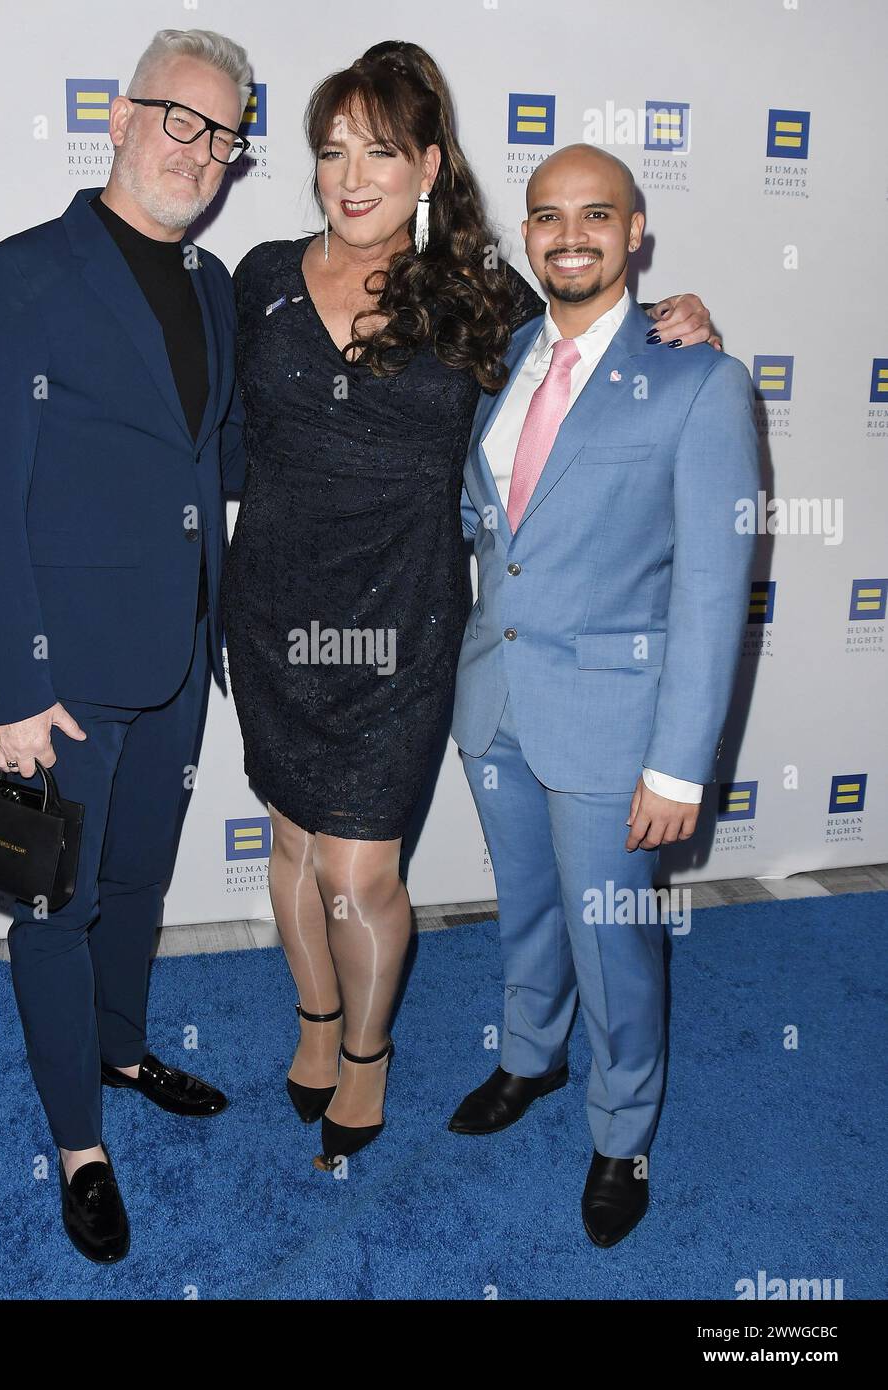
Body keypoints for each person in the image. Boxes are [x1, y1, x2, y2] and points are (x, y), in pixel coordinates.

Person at [220, 41, 714, 1173]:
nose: (350, 174)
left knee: (360, 870)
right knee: (292, 840)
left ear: (428, 165)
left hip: (404, 624)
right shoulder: (254, 278)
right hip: (273, 612)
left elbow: (587, 354)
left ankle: (367, 1052)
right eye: (330, 149)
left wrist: (679, 325)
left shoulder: (478, 300)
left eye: (379, 150)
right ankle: (310, 1022)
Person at [0, 28, 250, 1263]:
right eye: (180, 120)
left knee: (138, 880)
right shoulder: (17, 275)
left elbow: (214, 460)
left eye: (223, 136)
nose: (200, 153)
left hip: (177, 656)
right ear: (120, 117)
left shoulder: (217, 285)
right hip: (62, 679)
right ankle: (78, 1140)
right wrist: (11, 689)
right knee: (52, 906)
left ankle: (121, 1050)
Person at [448, 143, 758, 1247]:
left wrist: (677, 764)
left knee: (612, 936)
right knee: (526, 910)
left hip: (617, 730)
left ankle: (621, 1127)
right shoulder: (503, 357)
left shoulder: (700, 380)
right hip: (492, 706)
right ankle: (529, 1058)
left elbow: (715, 593)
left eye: (594, 214)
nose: (566, 234)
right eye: (545, 217)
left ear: (635, 233)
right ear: (524, 235)